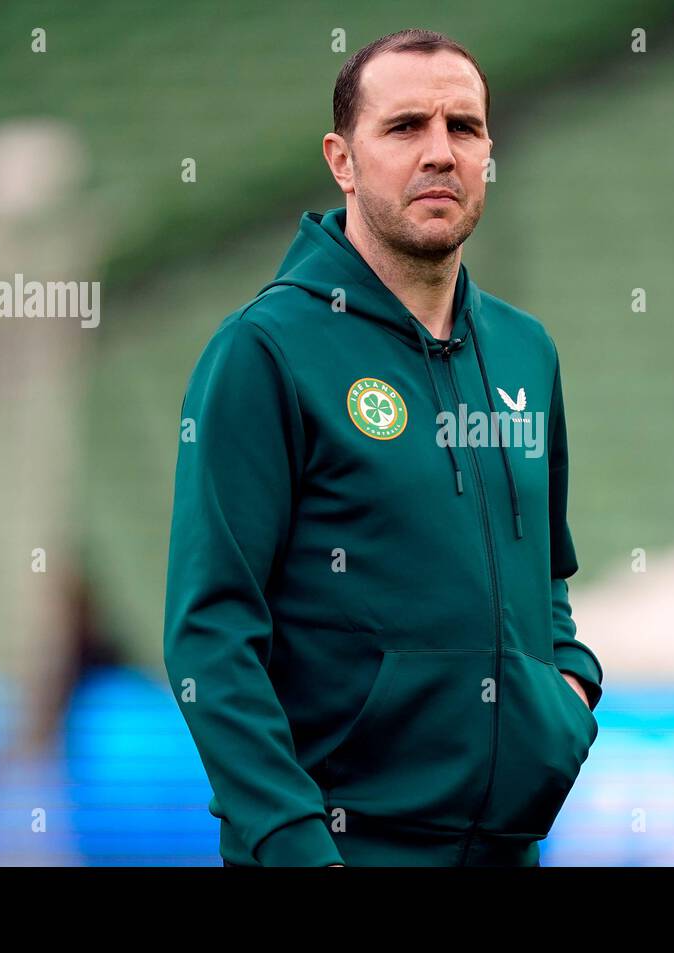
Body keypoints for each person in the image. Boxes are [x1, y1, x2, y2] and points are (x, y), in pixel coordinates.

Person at [163, 28, 602, 867]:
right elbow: (211, 630)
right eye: (405, 127)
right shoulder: (266, 350)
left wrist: (567, 697)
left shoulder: (525, 350)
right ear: (343, 159)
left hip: (506, 851)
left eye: (463, 128)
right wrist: (292, 844)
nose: (440, 153)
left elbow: (545, 576)